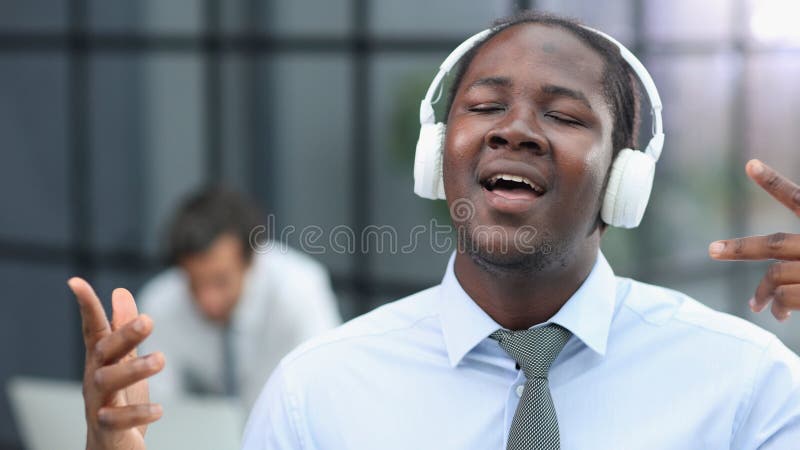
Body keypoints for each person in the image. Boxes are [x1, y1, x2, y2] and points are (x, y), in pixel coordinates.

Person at [68, 11, 800, 450]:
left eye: (566, 115)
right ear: (435, 159)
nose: (516, 130)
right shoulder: (317, 393)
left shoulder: (746, 384)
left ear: (623, 180)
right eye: (485, 106)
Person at [136, 187, 340, 411]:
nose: (207, 300)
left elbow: (323, 388)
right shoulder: (160, 304)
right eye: (194, 283)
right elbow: (157, 405)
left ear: (251, 261)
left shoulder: (298, 291)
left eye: (220, 281)